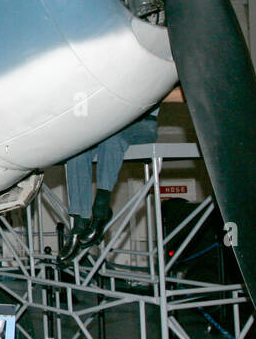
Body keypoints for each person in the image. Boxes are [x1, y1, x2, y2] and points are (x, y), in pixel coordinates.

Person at [58, 88, 182, 263]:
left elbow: (183, 93)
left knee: (112, 139)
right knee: (77, 151)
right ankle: (80, 222)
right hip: (113, 123)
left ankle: (101, 208)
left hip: (142, 124)